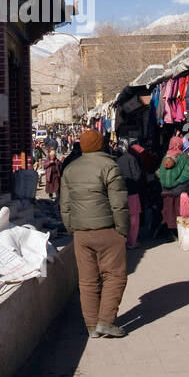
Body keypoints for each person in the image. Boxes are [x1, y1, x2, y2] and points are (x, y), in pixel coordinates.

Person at [59, 128, 130, 338]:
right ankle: (106, 322)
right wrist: (123, 229)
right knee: (114, 275)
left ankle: (91, 326)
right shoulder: (109, 166)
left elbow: (65, 205)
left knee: (87, 279)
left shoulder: (70, 169)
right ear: (101, 144)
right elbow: (118, 203)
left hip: (81, 232)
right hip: (108, 230)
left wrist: (71, 227)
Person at [158, 135, 189, 231]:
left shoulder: (164, 158)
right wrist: (178, 182)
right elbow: (188, 174)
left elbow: (160, 173)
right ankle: (182, 228)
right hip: (180, 191)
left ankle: (170, 227)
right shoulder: (183, 157)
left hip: (166, 191)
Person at [116, 138, 144, 248]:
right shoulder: (131, 158)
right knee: (134, 218)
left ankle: (124, 240)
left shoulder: (117, 160)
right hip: (132, 191)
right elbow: (137, 175)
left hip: (120, 193)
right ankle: (132, 241)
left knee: (124, 217)